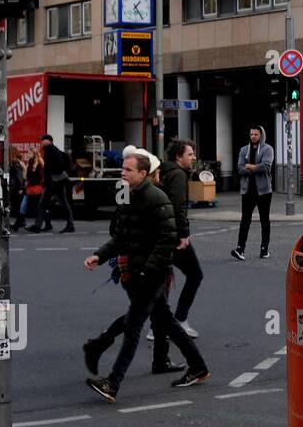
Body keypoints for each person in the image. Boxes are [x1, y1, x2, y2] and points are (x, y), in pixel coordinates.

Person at [83, 152, 209, 401]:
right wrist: (99, 255)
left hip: (151, 274)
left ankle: (112, 383)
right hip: (138, 269)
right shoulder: (127, 195)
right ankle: (198, 367)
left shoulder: (156, 197)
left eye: (128, 170)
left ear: (143, 174)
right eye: (123, 169)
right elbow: (121, 236)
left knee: (133, 326)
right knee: (166, 321)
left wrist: (148, 269)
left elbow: (167, 239)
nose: (123, 173)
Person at [158, 139, 203, 340]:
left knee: (162, 280)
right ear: (179, 156)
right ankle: (179, 319)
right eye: (190, 154)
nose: (193, 157)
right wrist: (183, 233)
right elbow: (178, 206)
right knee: (195, 275)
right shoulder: (177, 175)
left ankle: (157, 325)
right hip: (174, 236)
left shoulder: (166, 171)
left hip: (162, 234)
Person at [231, 125, 274, 261]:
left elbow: (266, 166)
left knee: (264, 220)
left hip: (264, 192)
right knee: (245, 221)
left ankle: (264, 249)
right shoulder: (244, 150)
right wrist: (255, 167)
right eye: (251, 134)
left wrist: (250, 166)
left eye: (256, 134)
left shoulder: (268, 149)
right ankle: (240, 249)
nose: (253, 136)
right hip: (247, 191)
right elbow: (240, 169)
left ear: (261, 135)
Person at [36, 134, 76, 234]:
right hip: (55, 181)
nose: (41, 142)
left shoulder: (51, 150)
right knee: (53, 203)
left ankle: (38, 225)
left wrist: (54, 175)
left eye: (42, 140)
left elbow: (59, 164)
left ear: (48, 141)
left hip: (55, 181)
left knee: (44, 203)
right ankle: (68, 225)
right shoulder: (51, 149)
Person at [15, 150, 44, 232]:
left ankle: (38, 225)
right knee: (24, 206)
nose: (27, 154)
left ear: (34, 154)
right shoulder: (30, 162)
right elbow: (27, 176)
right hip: (30, 188)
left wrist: (27, 171)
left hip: (35, 189)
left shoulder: (39, 164)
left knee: (37, 207)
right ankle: (17, 225)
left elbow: (39, 177)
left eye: (29, 153)